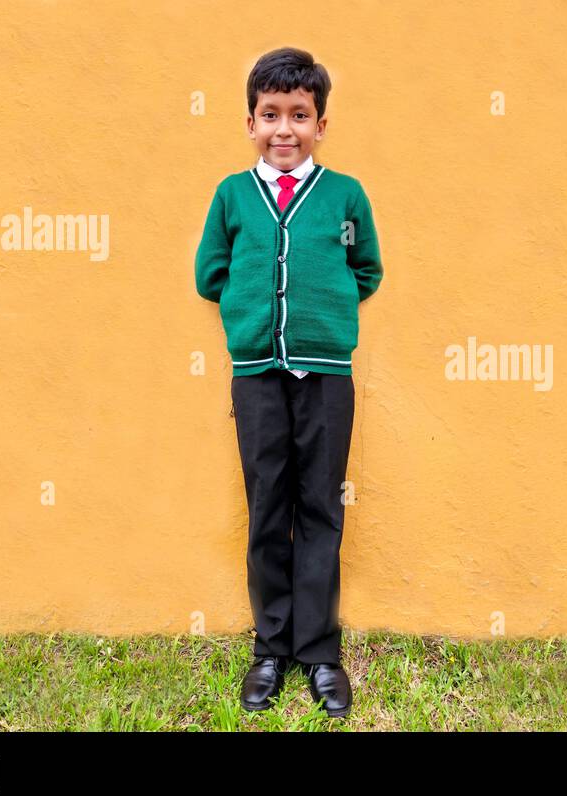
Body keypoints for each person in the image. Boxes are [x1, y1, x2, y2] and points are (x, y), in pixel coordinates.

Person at [194, 46, 384, 718]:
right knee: (267, 506)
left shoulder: (344, 195)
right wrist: (253, 316)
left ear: (320, 124)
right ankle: (270, 648)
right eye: (270, 114)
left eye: (299, 115)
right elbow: (208, 274)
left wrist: (322, 314)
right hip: (257, 376)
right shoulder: (231, 196)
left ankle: (321, 653)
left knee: (322, 508)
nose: (284, 129)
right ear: (250, 122)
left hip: (326, 375)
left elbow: (366, 268)